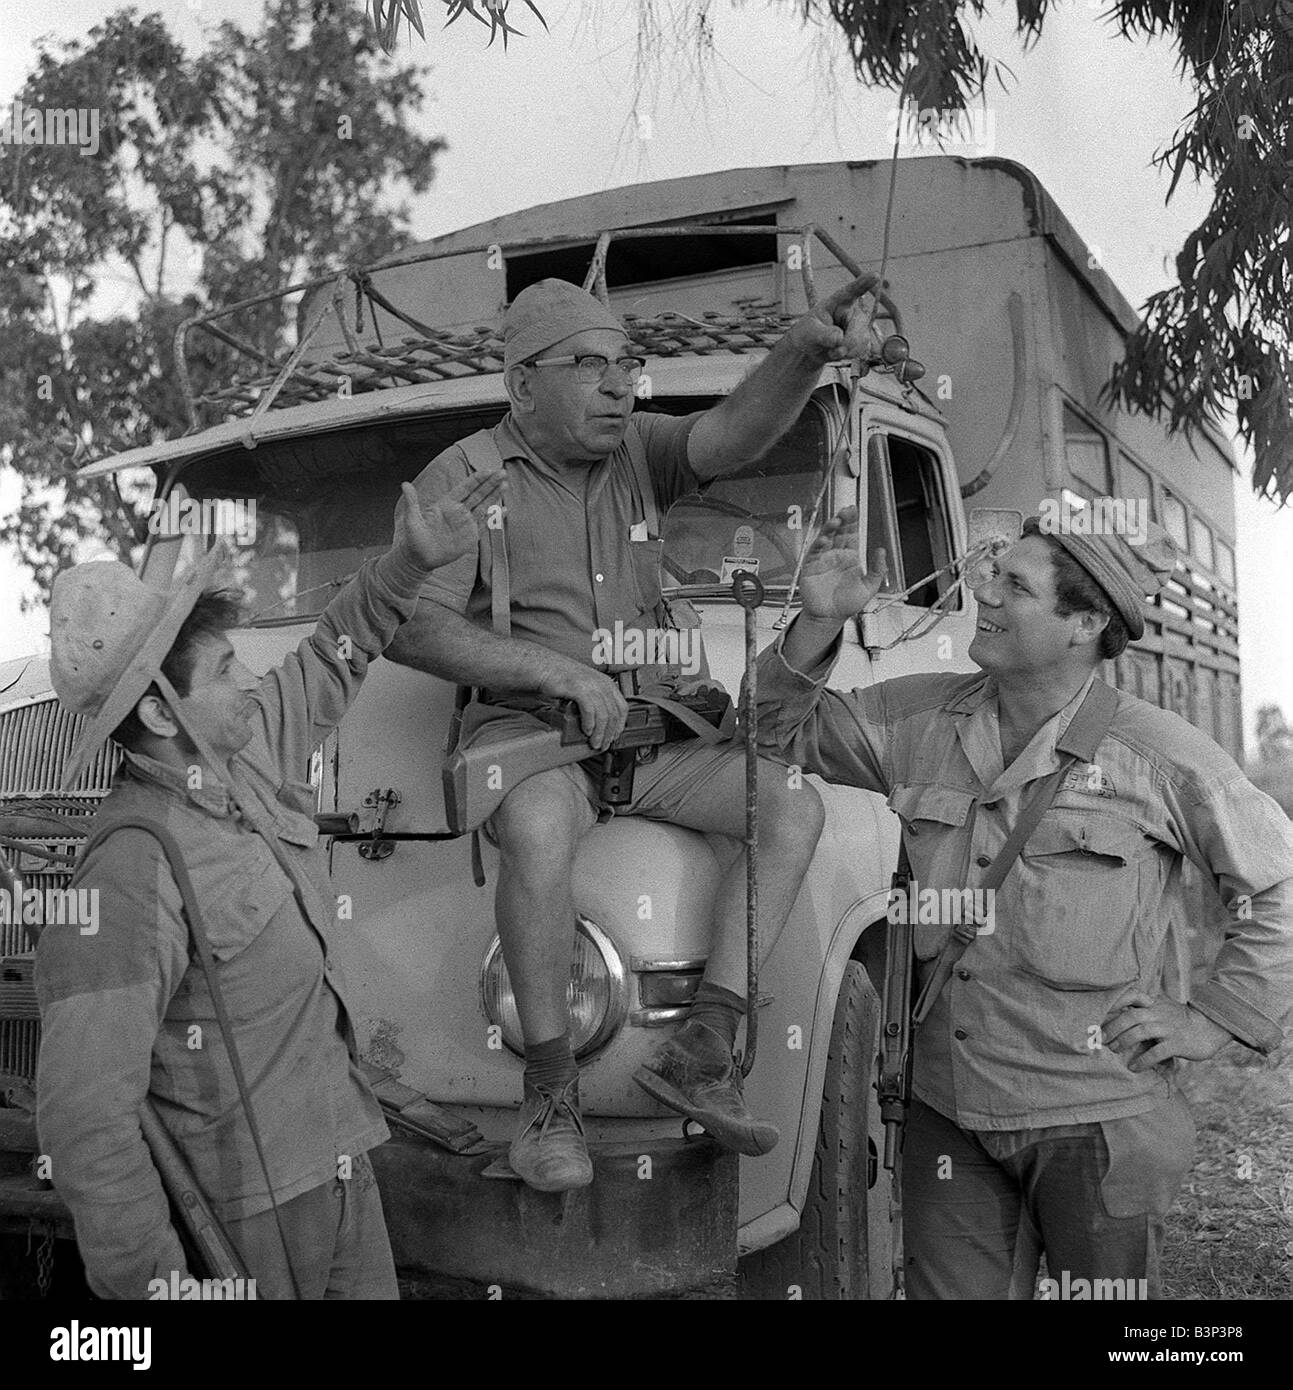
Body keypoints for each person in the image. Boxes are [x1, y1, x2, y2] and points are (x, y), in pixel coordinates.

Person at [386, 275, 878, 1192]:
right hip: (539, 740)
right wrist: (557, 671)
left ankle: (703, 1047)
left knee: (791, 807)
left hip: (658, 734)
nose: (620, 387)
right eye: (590, 366)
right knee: (533, 827)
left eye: (627, 365)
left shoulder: (638, 455)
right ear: (523, 383)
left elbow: (732, 432)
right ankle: (549, 1098)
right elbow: (414, 625)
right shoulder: (463, 476)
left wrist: (807, 349)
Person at [753, 504, 1293, 1299]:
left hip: (1094, 1114)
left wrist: (1211, 1018)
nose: (987, 598)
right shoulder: (920, 718)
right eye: (991, 577)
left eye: (1016, 586)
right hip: (947, 1107)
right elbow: (769, 731)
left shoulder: (1158, 755)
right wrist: (814, 624)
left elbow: (1276, 887)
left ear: (1082, 623)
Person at [36, 471, 503, 1299]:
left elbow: (332, 655)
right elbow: (83, 1117)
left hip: (338, 1164)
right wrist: (156, 1284)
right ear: (159, 715)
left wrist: (406, 563)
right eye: (222, 671)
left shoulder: (239, 762)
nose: (248, 682)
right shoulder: (129, 868)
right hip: (245, 1216)